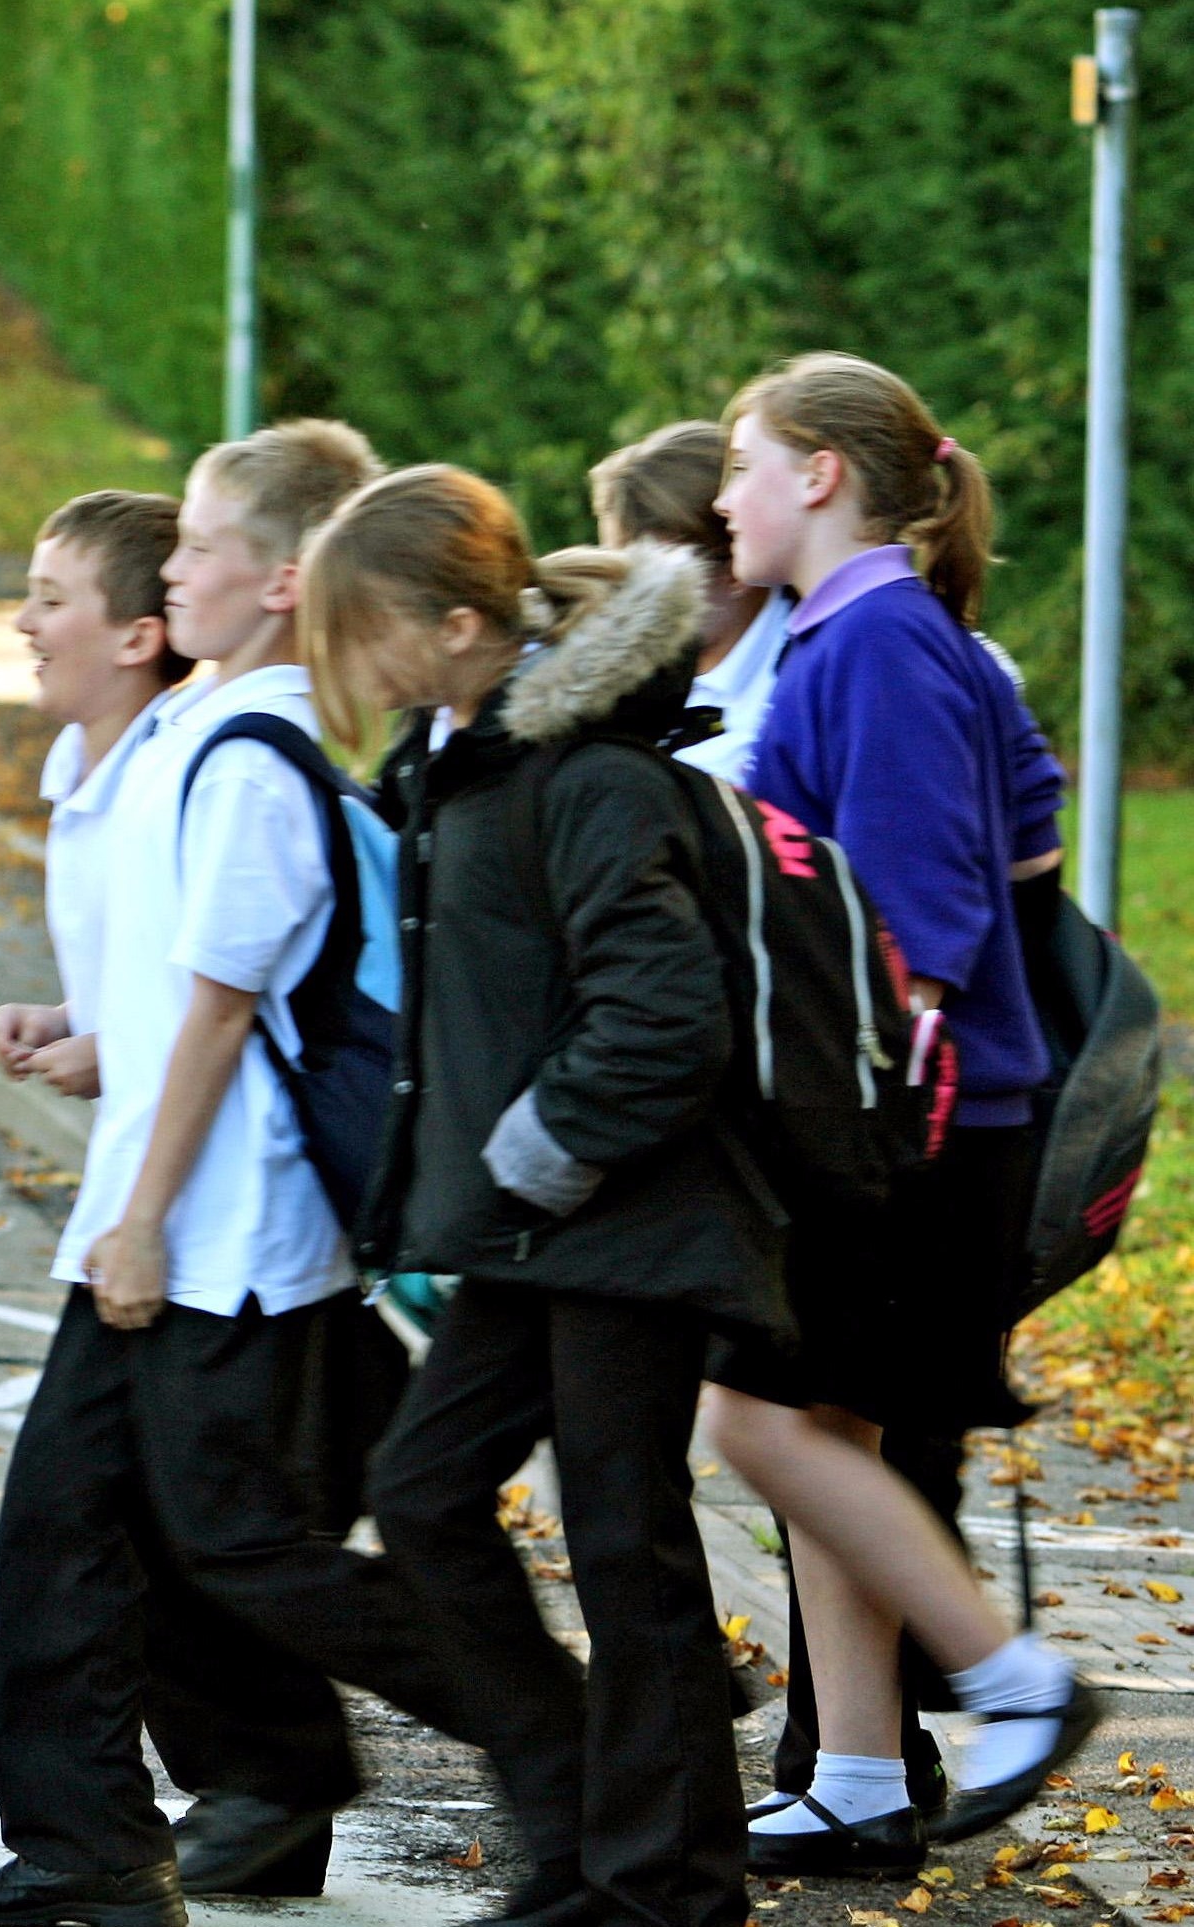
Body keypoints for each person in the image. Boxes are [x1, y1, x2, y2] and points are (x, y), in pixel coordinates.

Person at [0, 427, 587, 1927]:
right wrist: (92, 1041)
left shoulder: (246, 759)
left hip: (214, 1234)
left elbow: (223, 1012)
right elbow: (195, 1004)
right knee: (118, 1536)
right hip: (182, 1223)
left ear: (281, 582)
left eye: (199, 546)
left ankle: (576, 1733)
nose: (172, 567)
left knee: (229, 1550)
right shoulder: (207, 733)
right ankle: (128, 1832)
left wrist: (138, 1214)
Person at [316, 468, 769, 1927]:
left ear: (460, 623)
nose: (355, 666)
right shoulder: (465, 759)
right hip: (536, 1230)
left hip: (619, 1223)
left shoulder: (582, 775)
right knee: (424, 1490)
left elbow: (661, 1012)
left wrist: (531, 1145)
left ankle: (664, 1889)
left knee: (626, 1546)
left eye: (367, 632)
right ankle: (582, 1823)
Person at [703, 352, 1096, 1868]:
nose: (721, 496)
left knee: (758, 1416)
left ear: (816, 475)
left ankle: (1011, 1677)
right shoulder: (868, 636)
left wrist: (843, 1104)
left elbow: (920, 921)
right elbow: (1016, 848)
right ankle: (856, 1775)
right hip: (916, 1116)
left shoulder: (870, 645)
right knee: (821, 1424)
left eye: (741, 463)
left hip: (903, 1125)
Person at [0, 489, 193, 1108]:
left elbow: (236, 1007)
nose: (24, 622)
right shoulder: (81, 771)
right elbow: (155, 979)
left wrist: (119, 1052)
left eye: (51, 600)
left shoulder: (185, 788)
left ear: (136, 641)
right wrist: (73, 1017)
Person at [588, 421, 793, 784]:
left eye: (650, 579)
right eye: (617, 574)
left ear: (735, 568)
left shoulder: (801, 679)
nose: (625, 600)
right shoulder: (627, 683)